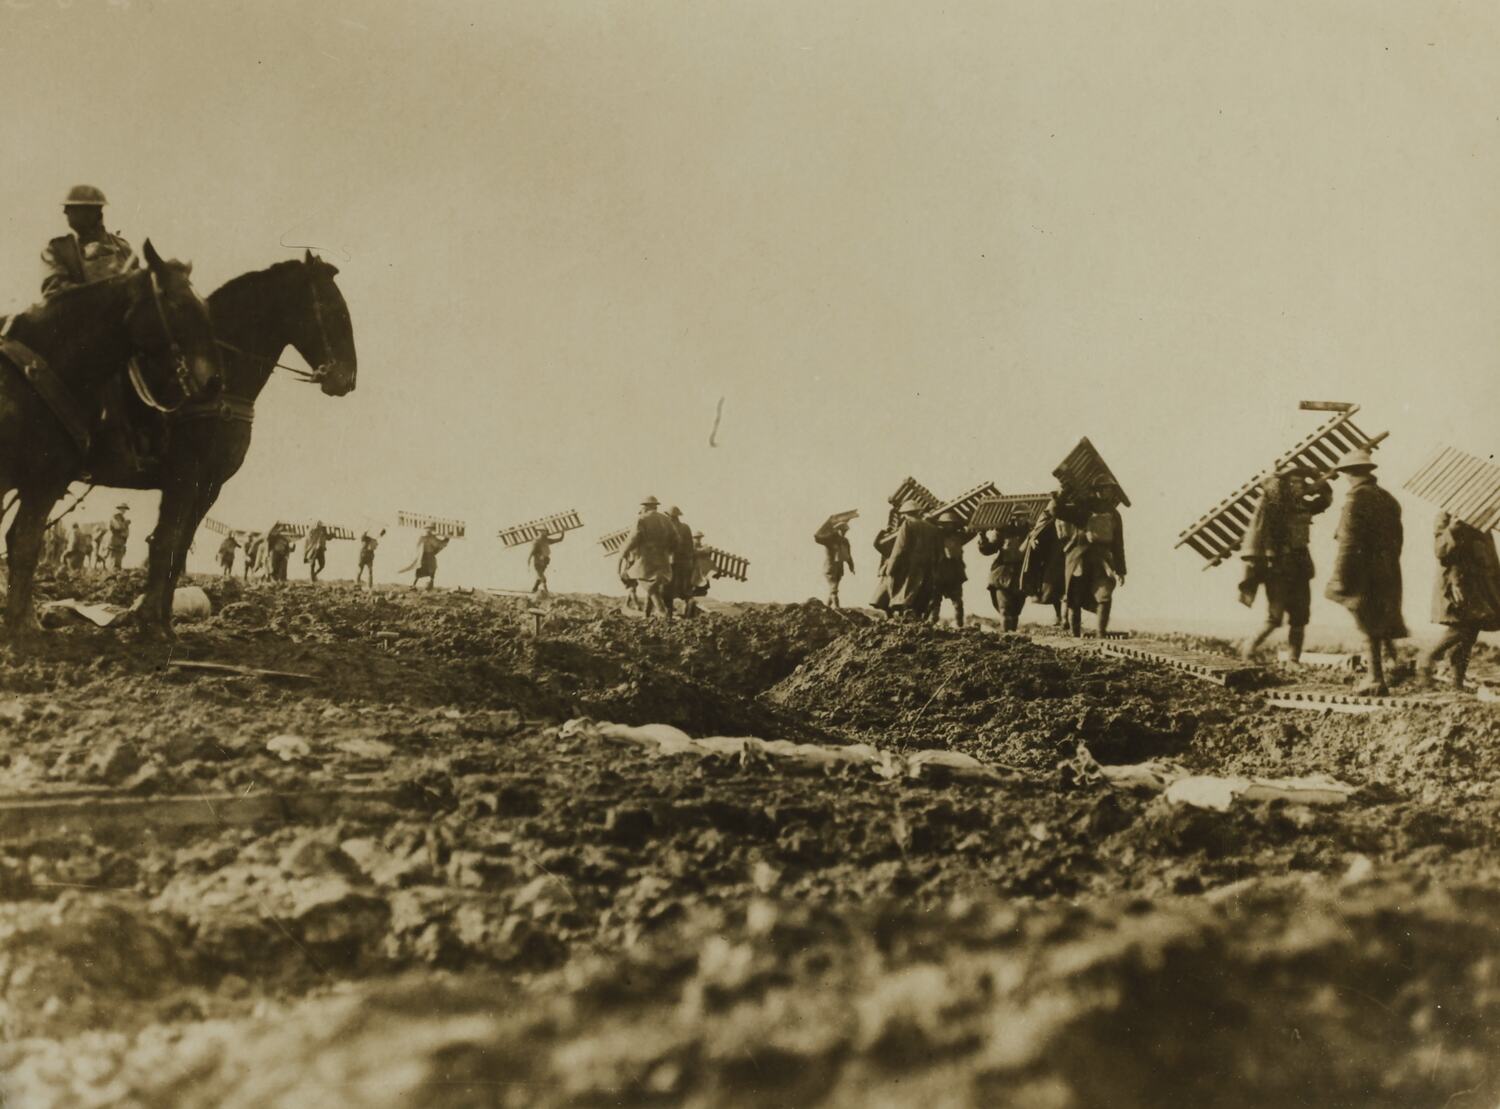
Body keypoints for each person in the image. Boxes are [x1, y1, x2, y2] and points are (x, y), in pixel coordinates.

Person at [1324, 448, 1406, 695]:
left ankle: (1375, 678)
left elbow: (1348, 542)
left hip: (1361, 572)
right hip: (1387, 570)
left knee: (1366, 623)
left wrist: (1340, 578)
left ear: (1348, 473)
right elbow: (1398, 539)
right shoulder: (1388, 498)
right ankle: (1392, 662)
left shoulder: (1356, 499)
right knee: (1378, 619)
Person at [1238, 465, 1333, 662]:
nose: (1299, 486)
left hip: (1301, 567)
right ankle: (1248, 648)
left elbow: (1325, 501)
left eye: (1301, 482)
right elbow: (1261, 531)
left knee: (1300, 617)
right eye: (1293, 482)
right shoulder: (1272, 506)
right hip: (1278, 568)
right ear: (1284, 486)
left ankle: (1293, 660)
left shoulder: (1303, 506)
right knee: (1275, 617)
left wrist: (1321, 481)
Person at [1418, 512, 1500, 692]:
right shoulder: (1447, 517)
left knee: (1469, 633)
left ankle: (1456, 683)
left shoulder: (1480, 515)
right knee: (1462, 628)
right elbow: (1441, 551)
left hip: (1477, 583)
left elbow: (1485, 552)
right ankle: (1426, 657)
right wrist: (1453, 528)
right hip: (1458, 583)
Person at [1057, 479, 1126, 638]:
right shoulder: (1082, 508)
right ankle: (1075, 635)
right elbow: (1057, 511)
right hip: (1080, 558)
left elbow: (1118, 543)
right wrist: (1062, 493)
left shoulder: (1114, 514)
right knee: (1075, 598)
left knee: (1104, 595)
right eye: (1104, 488)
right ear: (1097, 490)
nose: (1108, 491)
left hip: (1102, 560)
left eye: (1110, 489)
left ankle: (1101, 635)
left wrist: (1121, 570)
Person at [41, 186, 137, 299]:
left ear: (91, 212)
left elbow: (139, 290)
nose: (65, 212)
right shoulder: (58, 249)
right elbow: (55, 292)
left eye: (70, 207)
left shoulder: (123, 247)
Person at [872, 498, 945, 620]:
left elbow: (900, 548)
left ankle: (903, 616)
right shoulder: (933, 528)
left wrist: (891, 567)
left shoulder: (908, 524)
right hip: (926, 567)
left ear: (905, 513)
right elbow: (939, 552)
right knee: (919, 594)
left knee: (902, 593)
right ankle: (913, 617)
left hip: (909, 567)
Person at [620, 495, 677, 619]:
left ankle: (661, 611)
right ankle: (648, 613)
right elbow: (675, 539)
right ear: (655, 506)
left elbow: (633, 538)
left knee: (643, 581)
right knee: (653, 584)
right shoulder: (666, 520)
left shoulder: (641, 519)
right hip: (663, 559)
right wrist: (667, 551)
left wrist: (623, 552)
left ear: (645, 507)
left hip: (646, 560)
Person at [1021, 491, 1068, 628]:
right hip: (1053, 554)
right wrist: (1035, 539)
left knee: (1068, 586)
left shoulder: (1070, 510)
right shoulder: (1048, 512)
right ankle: (1060, 617)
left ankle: (1066, 618)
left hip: (1067, 551)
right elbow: (1038, 529)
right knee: (1054, 586)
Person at [977, 516, 1030, 632]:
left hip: (1021, 575)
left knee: (1016, 610)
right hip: (1002, 574)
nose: (1021, 520)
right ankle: (1006, 635)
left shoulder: (1031, 532)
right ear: (1013, 518)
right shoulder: (1003, 531)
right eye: (1019, 517)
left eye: (1024, 516)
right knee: (1005, 609)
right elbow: (988, 549)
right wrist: (982, 537)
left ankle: (1012, 636)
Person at [933, 509, 968, 627]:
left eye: (952, 524)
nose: (949, 526)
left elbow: (969, 531)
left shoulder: (959, 536)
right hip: (939, 573)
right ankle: (931, 624)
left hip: (954, 574)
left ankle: (959, 625)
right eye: (946, 524)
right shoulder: (936, 536)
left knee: (958, 602)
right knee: (935, 602)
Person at [814, 519, 856, 608]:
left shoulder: (845, 541)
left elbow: (848, 555)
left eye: (845, 531)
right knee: (834, 589)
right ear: (837, 530)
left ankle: (827, 608)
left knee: (833, 590)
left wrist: (851, 566)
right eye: (842, 530)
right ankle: (838, 608)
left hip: (839, 569)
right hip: (830, 568)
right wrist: (825, 527)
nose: (844, 532)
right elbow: (817, 538)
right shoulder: (830, 539)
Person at [666, 506, 696, 616]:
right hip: (685, 563)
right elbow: (691, 546)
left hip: (672, 563)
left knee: (668, 589)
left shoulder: (668, 528)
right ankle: (689, 612)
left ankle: (668, 615)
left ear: (670, 517)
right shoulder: (685, 527)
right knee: (686, 589)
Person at [408, 525, 450, 591]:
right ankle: (427, 586)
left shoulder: (422, 537)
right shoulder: (430, 537)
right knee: (431, 569)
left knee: (421, 571)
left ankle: (414, 585)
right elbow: (439, 544)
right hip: (428, 556)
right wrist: (446, 539)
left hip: (423, 556)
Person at [527, 531, 565, 596]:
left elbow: (559, 539)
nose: (545, 534)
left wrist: (562, 534)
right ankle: (545, 590)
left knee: (540, 576)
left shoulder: (545, 540)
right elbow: (531, 552)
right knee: (542, 577)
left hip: (544, 562)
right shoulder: (537, 542)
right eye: (543, 532)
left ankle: (534, 589)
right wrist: (529, 560)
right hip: (538, 562)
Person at [107, 504, 130, 571]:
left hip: (121, 542)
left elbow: (125, 531)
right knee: (114, 561)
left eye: (125, 509)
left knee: (118, 561)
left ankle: (116, 573)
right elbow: (118, 527)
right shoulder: (115, 517)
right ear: (119, 509)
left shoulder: (122, 518)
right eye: (122, 508)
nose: (124, 510)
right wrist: (126, 523)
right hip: (115, 541)